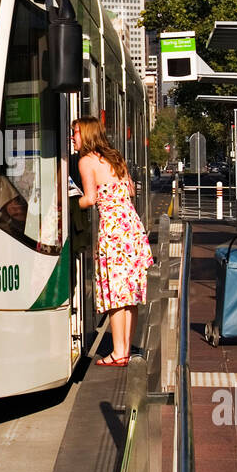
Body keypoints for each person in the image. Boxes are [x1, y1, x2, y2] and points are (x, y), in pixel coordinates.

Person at [73, 115, 153, 367]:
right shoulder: (115, 157)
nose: (72, 137)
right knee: (129, 295)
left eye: (75, 132)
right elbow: (130, 189)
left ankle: (118, 353)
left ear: (85, 135)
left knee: (116, 297)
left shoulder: (86, 161)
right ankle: (125, 349)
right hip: (131, 226)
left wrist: (71, 199)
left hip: (113, 231)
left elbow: (89, 198)